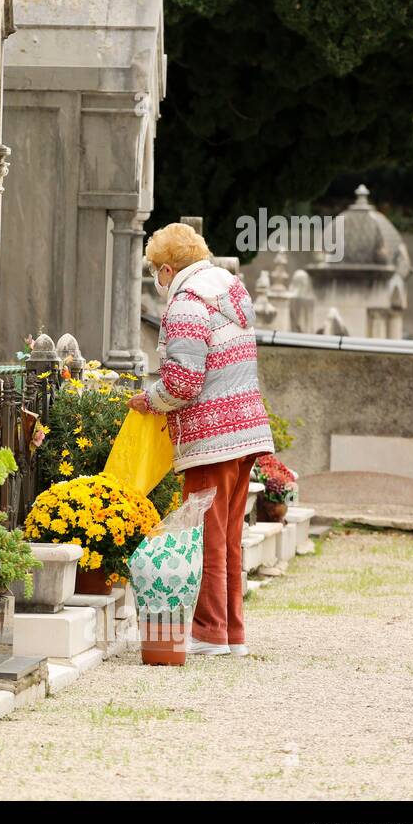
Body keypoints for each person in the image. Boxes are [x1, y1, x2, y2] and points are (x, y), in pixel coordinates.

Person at [129, 223, 274, 657]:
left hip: (212, 435)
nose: (157, 280)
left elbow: (184, 381)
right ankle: (231, 633)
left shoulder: (188, 304)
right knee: (228, 536)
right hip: (246, 429)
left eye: (157, 271)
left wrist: (148, 400)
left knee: (205, 535)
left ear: (168, 269)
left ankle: (209, 632)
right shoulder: (231, 291)